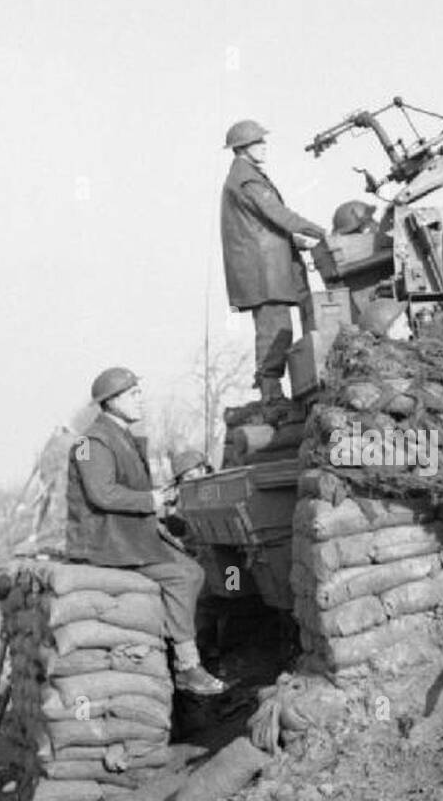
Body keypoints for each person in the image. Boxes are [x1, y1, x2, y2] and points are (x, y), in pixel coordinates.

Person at [66, 367, 225, 696]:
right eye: (132, 394)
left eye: (139, 392)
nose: (141, 400)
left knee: (192, 565)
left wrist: (161, 500)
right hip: (107, 543)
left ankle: (179, 653)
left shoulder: (120, 437)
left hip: (129, 535)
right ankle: (186, 665)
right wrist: (150, 499)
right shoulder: (91, 442)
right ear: (110, 402)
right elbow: (102, 494)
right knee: (185, 576)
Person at [220, 119, 327, 399]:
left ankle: (293, 384)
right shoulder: (248, 179)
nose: (264, 147)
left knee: (287, 323)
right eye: (258, 142)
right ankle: (271, 392)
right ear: (242, 148)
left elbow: (262, 225)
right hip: (264, 271)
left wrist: (295, 240)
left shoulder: (245, 176)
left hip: (270, 266)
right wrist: (321, 233)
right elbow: (280, 215)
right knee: (275, 328)